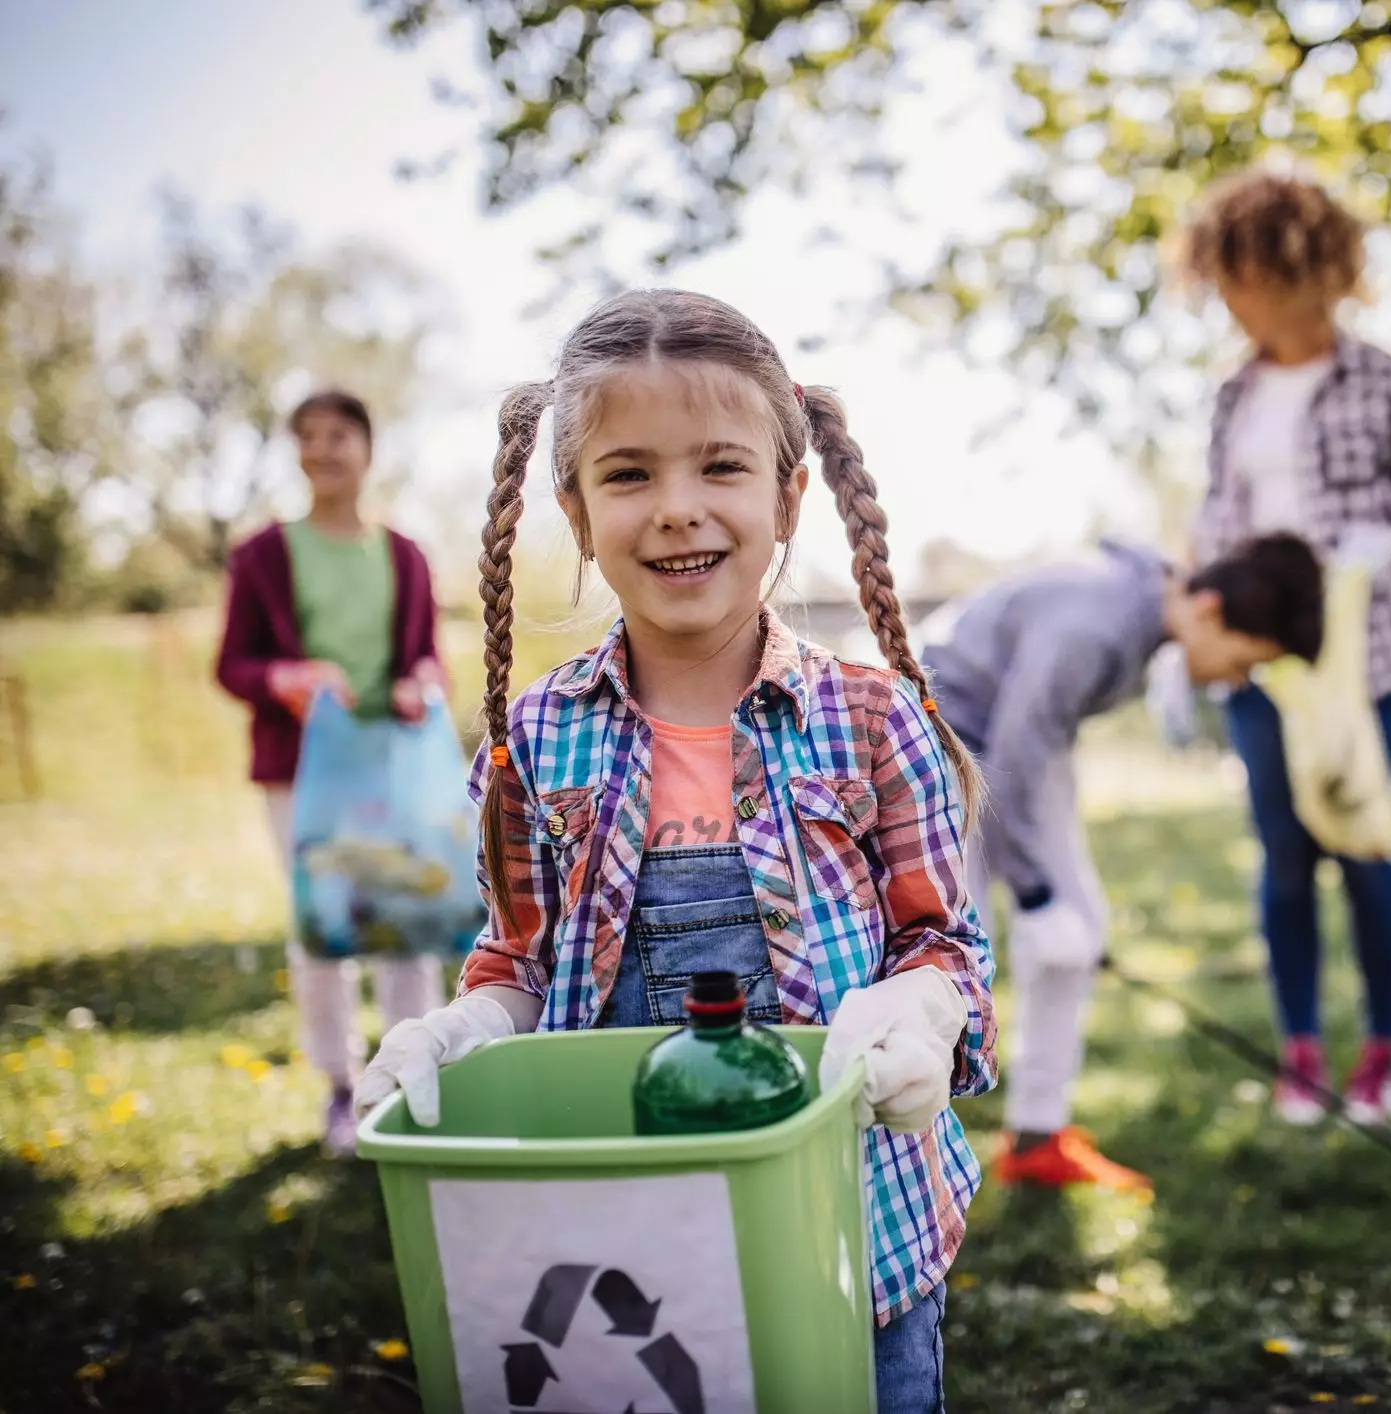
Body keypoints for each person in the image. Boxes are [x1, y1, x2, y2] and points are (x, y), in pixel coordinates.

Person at [350, 290, 994, 1414]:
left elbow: (947, 946)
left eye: (722, 468)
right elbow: (519, 961)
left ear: (790, 496)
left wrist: (926, 1015)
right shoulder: (534, 739)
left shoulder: (874, 721)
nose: (677, 511)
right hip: (608, 1254)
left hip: (856, 1242)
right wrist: (465, 1028)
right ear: (576, 508)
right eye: (630, 473)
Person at [1175, 168, 1391, 1126]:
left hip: (1365, 656)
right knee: (1283, 855)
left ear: (1303, 271)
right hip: (1263, 660)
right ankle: (1301, 1052)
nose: (1232, 300)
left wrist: (1387, 543)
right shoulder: (1232, 396)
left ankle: (1384, 1052)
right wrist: (1193, 611)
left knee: (1363, 846)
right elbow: (1213, 516)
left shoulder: (1389, 381)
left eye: (1245, 278)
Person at [925, 534, 1325, 1191]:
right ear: (1209, 611)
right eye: (1242, 662)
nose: (1232, 681)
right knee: (952, 959)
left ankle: (1036, 1138)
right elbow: (1009, 759)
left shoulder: (1154, 605)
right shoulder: (1096, 626)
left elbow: (1032, 746)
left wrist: (1051, 901)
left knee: (1078, 931)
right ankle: (908, 1157)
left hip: (1013, 748)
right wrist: (1031, 894)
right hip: (942, 745)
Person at [214, 389, 448, 1159]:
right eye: (307, 436)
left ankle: (416, 1075)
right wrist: (286, 675)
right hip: (304, 770)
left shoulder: (405, 555)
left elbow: (424, 657)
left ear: (367, 448)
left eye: (338, 434)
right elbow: (233, 665)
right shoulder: (263, 556)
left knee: (406, 926)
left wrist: (420, 680)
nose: (322, 449)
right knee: (325, 929)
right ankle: (342, 1088)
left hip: (393, 764)